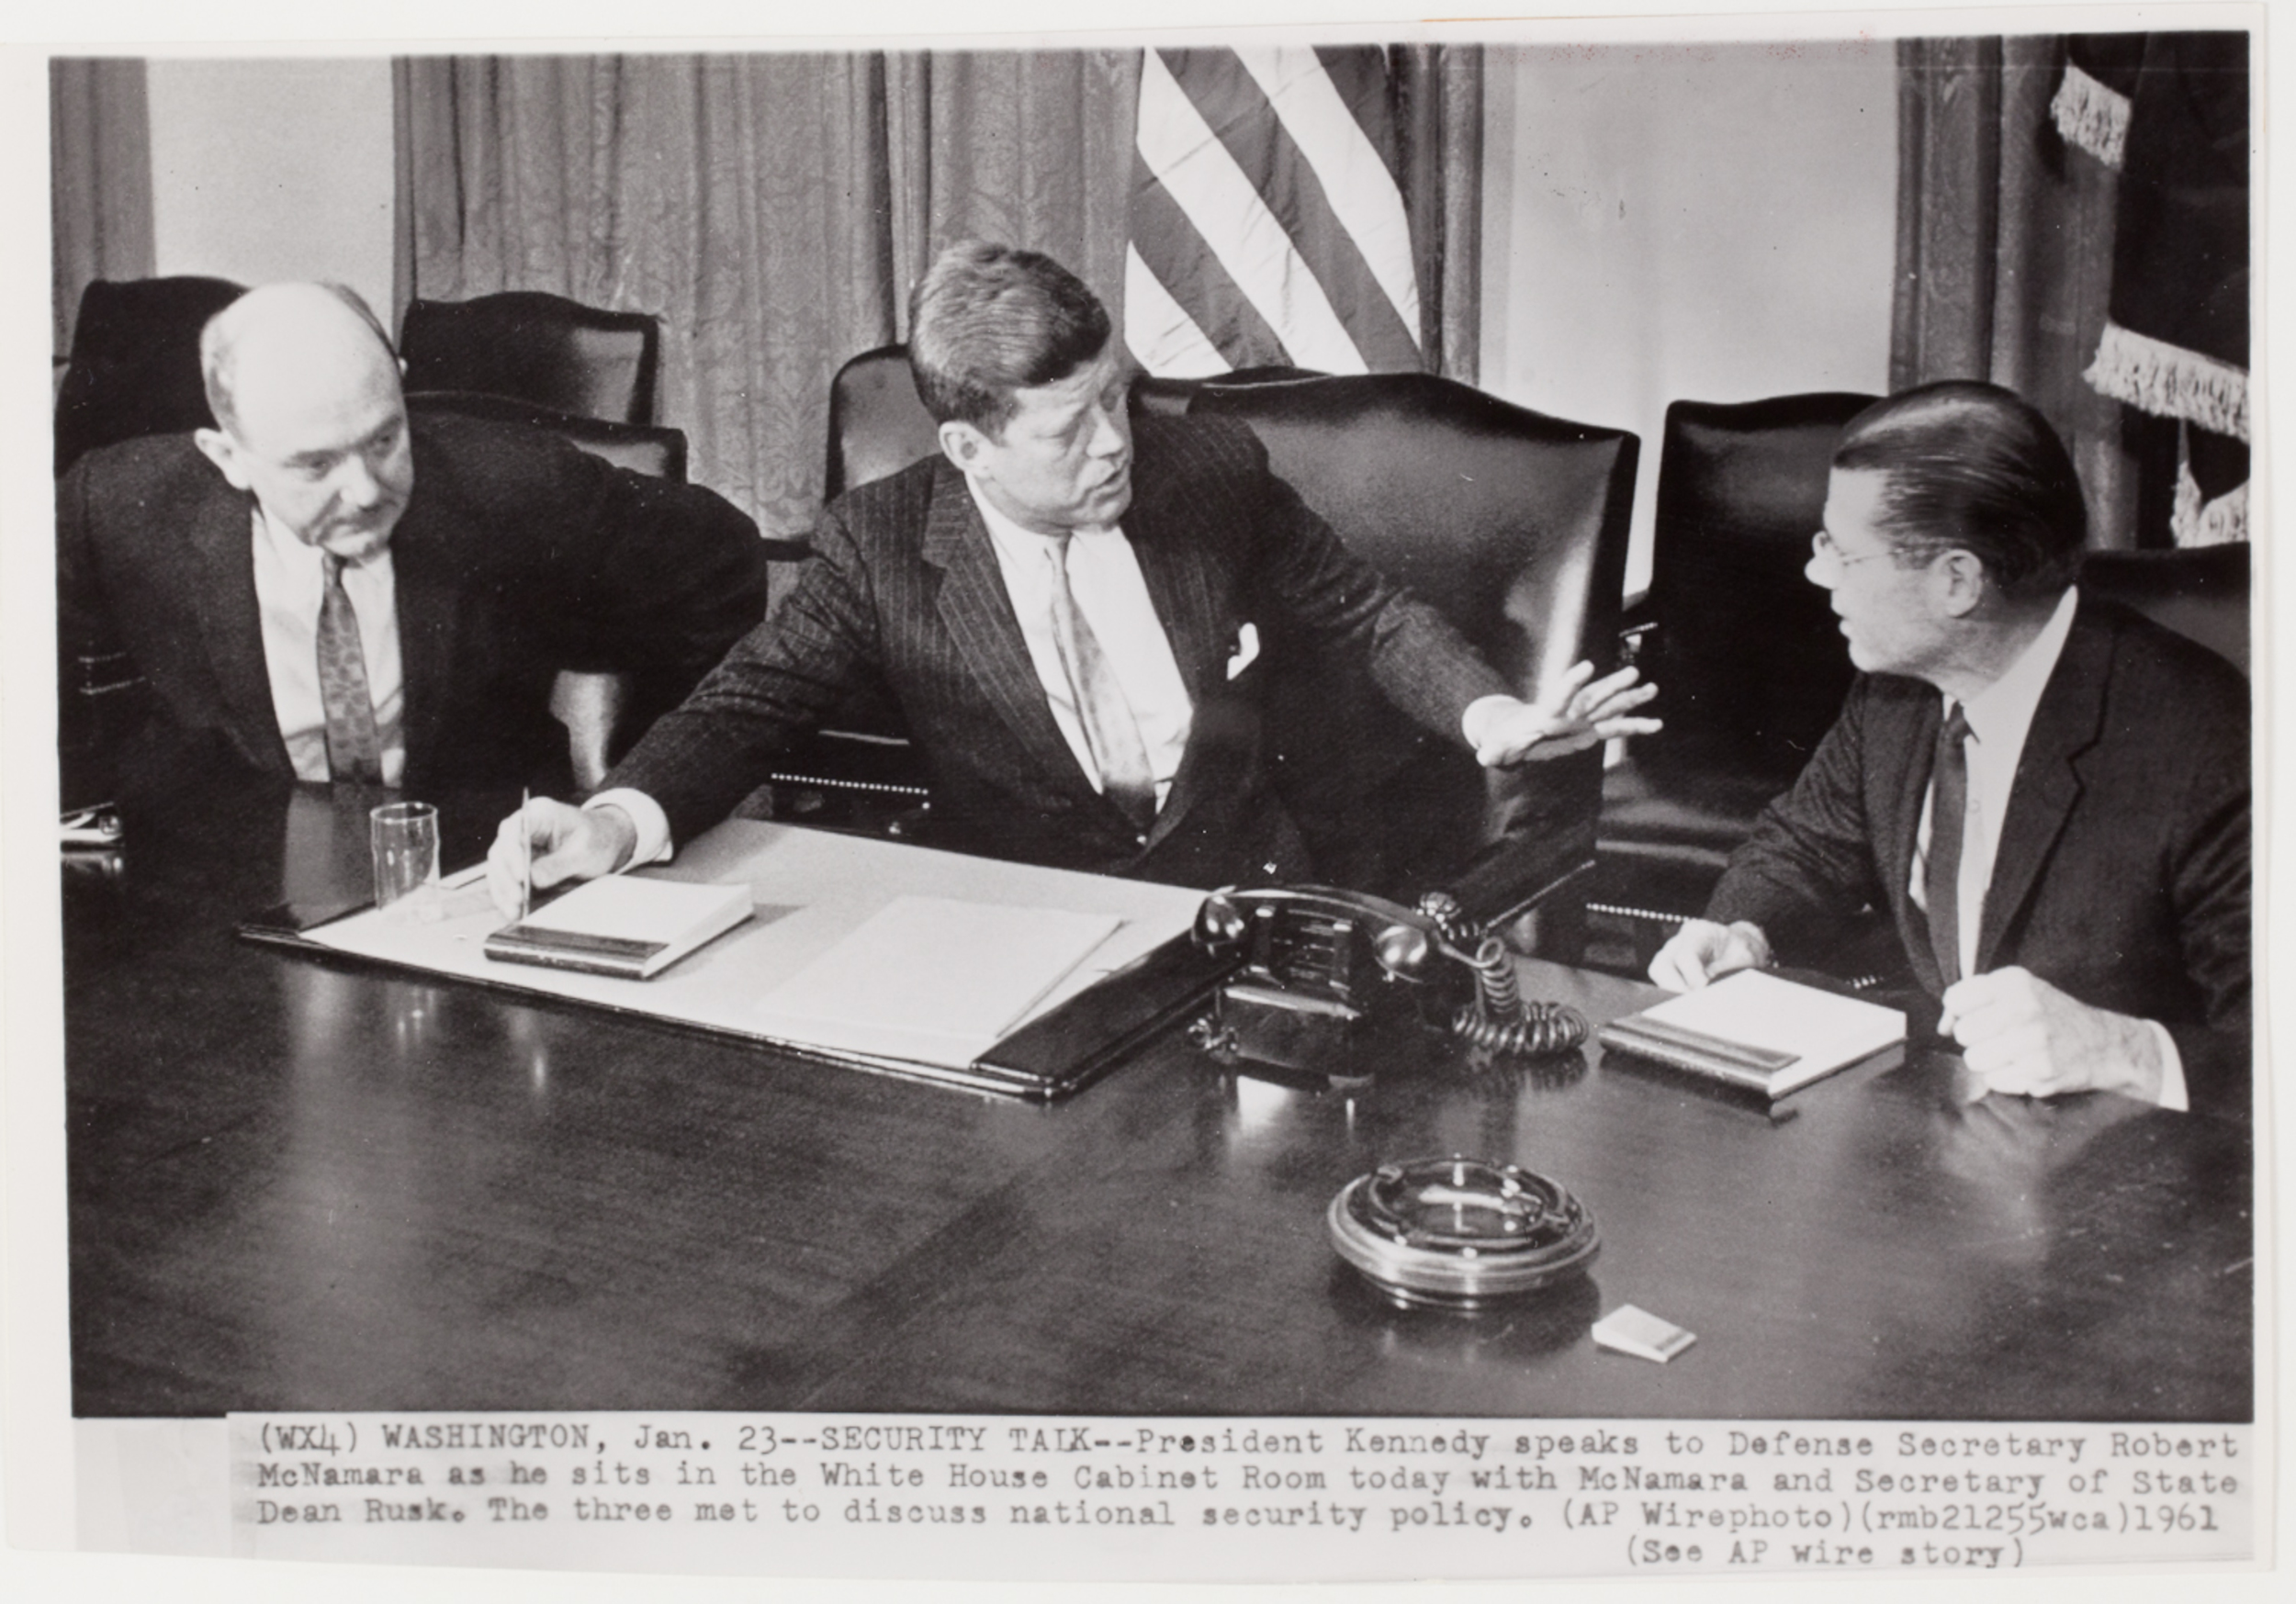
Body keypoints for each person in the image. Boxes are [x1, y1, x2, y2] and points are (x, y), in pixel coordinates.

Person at [491, 241, 1658, 905]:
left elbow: (1365, 611)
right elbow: (748, 705)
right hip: (1021, 921)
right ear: (967, 446)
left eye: (1117, 397)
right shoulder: (879, 541)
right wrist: (615, 820)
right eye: (1068, 428)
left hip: (1245, 901)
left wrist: (1491, 712)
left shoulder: (1205, 469)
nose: (1116, 444)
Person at [1649, 382, 2248, 1118]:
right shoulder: (1899, 688)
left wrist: (2120, 1049)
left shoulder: (2208, 741)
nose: (1816, 574)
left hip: (2118, 1156)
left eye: (1842, 552)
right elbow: (1806, 844)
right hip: (1939, 1130)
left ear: (1957, 580)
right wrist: (1744, 928)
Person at [58, 282, 771, 802]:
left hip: (476, 859)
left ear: (401, 390)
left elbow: (722, 559)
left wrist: (630, 729)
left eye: (384, 439)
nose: (367, 490)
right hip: (231, 871)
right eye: (315, 465)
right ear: (226, 455)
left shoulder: (512, 482)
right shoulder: (115, 505)